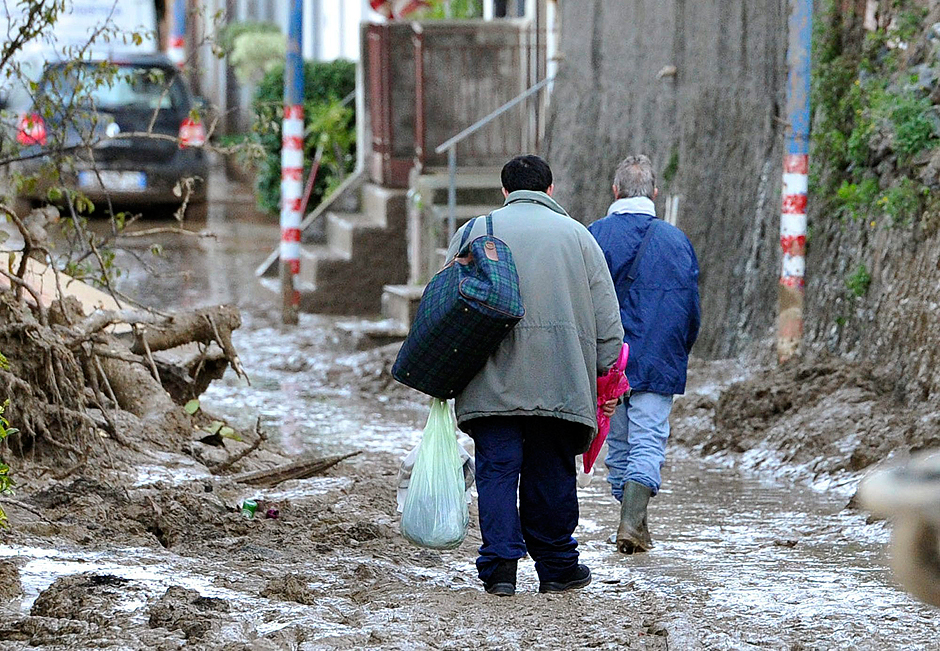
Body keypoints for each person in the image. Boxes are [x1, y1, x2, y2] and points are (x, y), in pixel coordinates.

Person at [446, 155, 623, 596]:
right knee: (551, 472)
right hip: (561, 380)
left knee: (498, 471)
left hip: (489, 379)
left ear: (504, 192)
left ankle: (501, 570)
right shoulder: (579, 238)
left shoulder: (473, 232)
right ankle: (558, 567)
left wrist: (440, 372)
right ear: (550, 190)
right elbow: (609, 323)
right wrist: (604, 373)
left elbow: (443, 307)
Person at [587, 154, 700, 554]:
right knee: (649, 440)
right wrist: (679, 351)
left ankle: (631, 519)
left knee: (616, 443)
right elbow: (691, 309)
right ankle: (632, 523)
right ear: (655, 192)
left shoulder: (593, 236)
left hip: (607, 360)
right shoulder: (676, 241)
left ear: (615, 191)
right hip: (657, 358)